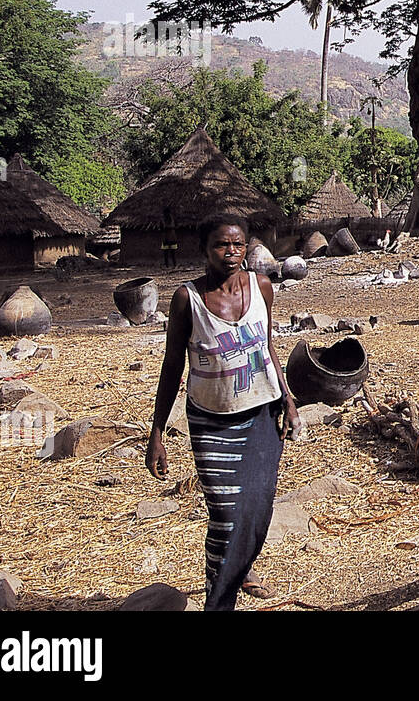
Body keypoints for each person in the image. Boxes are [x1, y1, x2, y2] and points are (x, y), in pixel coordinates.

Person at [145, 212, 303, 610]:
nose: (231, 252)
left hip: (261, 415)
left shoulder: (262, 287)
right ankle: (221, 594)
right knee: (226, 511)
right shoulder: (188, 299)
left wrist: (288, 399)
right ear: (205, 250)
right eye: (221, 244)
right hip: (209, 418)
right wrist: (157, 432)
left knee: (257, 505)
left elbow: (267, 346)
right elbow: (171, 366)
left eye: (238, 244)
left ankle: (237, 569)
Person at [161, 206, 178, 270]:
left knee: (172, 253)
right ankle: (167, 265)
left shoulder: (172, 220)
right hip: (167, 238)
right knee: (166, 253)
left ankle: (173, 265)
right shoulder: (164, 220)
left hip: (171, 238)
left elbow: (176, 226)